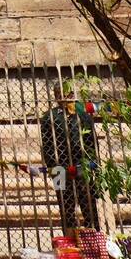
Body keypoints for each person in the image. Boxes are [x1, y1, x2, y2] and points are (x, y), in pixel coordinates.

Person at [40, 83, 99, 236]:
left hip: (83, 164)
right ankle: (70, 239)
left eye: (69, 94)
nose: (67, 98)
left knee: (88, 203)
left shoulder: (83, 113)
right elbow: (47, 146)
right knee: (66, 207)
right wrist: (55, 168)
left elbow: (91, 141)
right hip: (60, 167)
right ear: (57, 97)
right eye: (63, 95)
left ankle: (93, 236)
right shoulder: (49, 117)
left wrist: (91, 162)